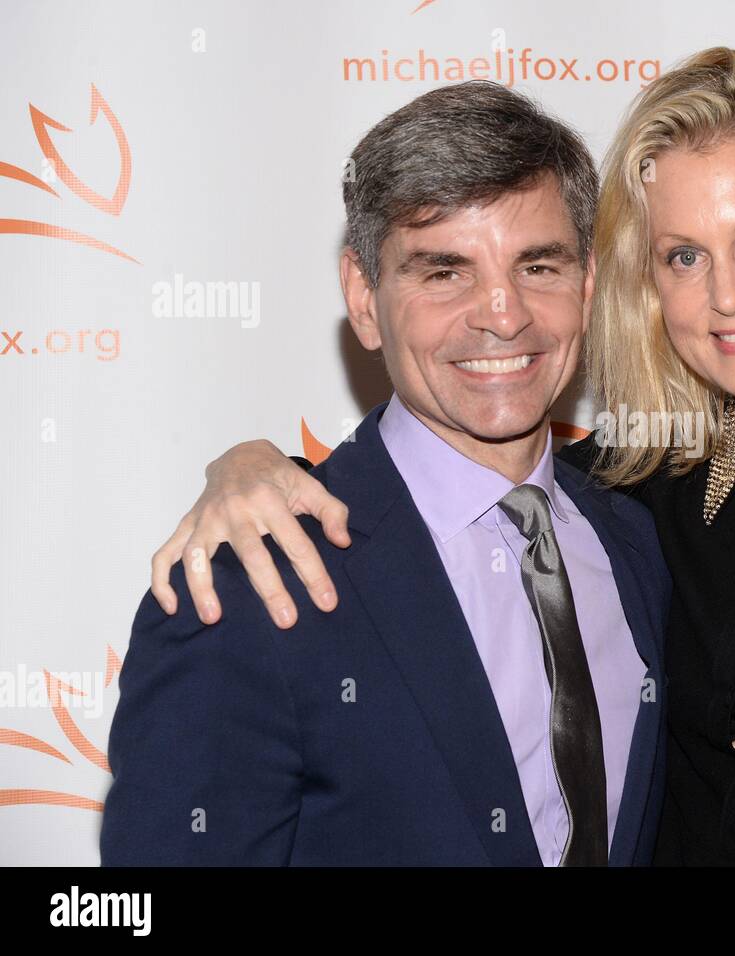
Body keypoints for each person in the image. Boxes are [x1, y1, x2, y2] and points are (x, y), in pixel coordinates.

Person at [145, 48, 735, 865]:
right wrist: (246, 463)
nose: (728, 295)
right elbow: (475, 462)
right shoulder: (652, 488)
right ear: (638, 286)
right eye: (683, 256)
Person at [99, 82, 671, 866]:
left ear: (589, 282)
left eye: (538, 265)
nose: (503, 314)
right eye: (445, 273)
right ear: (364, 300)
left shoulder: (636, 534)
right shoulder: (248, 586)